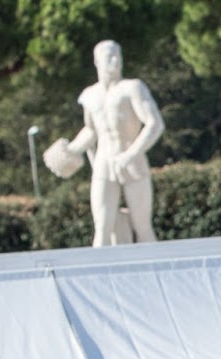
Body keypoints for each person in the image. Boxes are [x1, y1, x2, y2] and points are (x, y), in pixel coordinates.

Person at [47, 40, 165, 246]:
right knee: (102, 228)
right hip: (104, 163)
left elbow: (155, 124)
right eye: (109, 56)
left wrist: (131, 154)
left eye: (118, 55)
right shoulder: (90, 95)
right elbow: (92, 130)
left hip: (132, 162)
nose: (115, 60)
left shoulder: (133, 88)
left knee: (143, 227)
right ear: (97, 61)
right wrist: (72, 149)